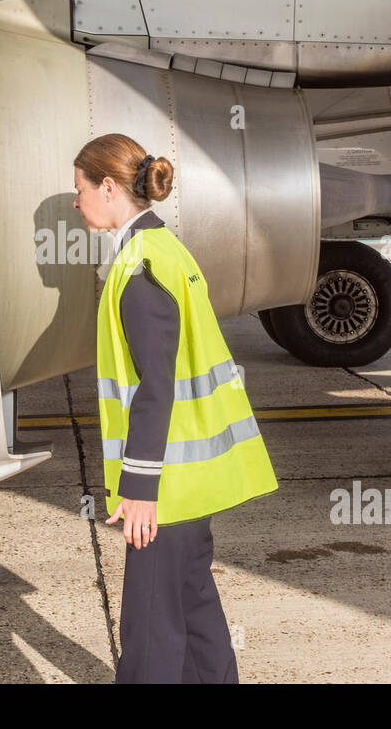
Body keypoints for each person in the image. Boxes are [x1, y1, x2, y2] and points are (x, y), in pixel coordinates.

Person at [72, 132, 279, 683]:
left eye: (80, 188)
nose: (76, 202)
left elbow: (154, 388)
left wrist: (140, 490)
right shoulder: (165, 248)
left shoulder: (138, 268)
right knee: (192, 607)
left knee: (149, 631)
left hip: (165, 486)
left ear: (109, 187)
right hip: (192, 478)